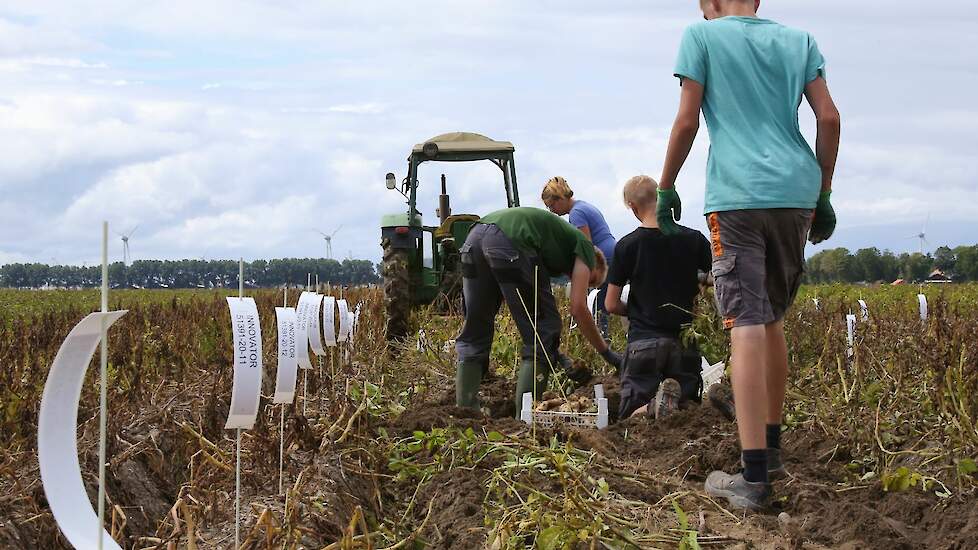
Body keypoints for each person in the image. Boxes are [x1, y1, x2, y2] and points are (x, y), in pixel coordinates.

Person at [657, 0, 841, 510]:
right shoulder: (799, 40)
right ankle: (774, 450)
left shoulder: (702, 36)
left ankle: (753, 477)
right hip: (795, 193)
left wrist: (666, 184)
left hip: (738, 195)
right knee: (773, 318)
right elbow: (828, 116)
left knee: (746, 322)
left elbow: (688, 121)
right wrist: (823, 192)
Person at [454, 207, 622, 414]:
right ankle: (525, 419)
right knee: (546, 327)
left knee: (476, 327)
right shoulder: (586, 247)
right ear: (594, 264)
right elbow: (578, 308)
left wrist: (553, 350)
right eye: (592, 280)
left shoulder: (553, 250)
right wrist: (607, 353)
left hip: (475, 237)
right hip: (510, 239)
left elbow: (521, 309)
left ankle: (465, 411)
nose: (586, 284)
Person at [604, 175, 712, 421]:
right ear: (662, 199)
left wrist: (637, 310)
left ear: (632, 207)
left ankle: (651, 408)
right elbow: (719, 275)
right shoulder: (693, 239)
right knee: (688, 414)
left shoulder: (627, 245)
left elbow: (610, 304)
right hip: (685, 340)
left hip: (644, 341)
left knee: (630, 417)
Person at [541, 177, 618, 342]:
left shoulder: (577, 214)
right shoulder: (584, 206)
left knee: (598, 304)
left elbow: (586, 247)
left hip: (604, 259)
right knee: (606, 300)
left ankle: (603, 340)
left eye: (551, 205)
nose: (551, 210)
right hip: (612, 253)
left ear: (560, 198)